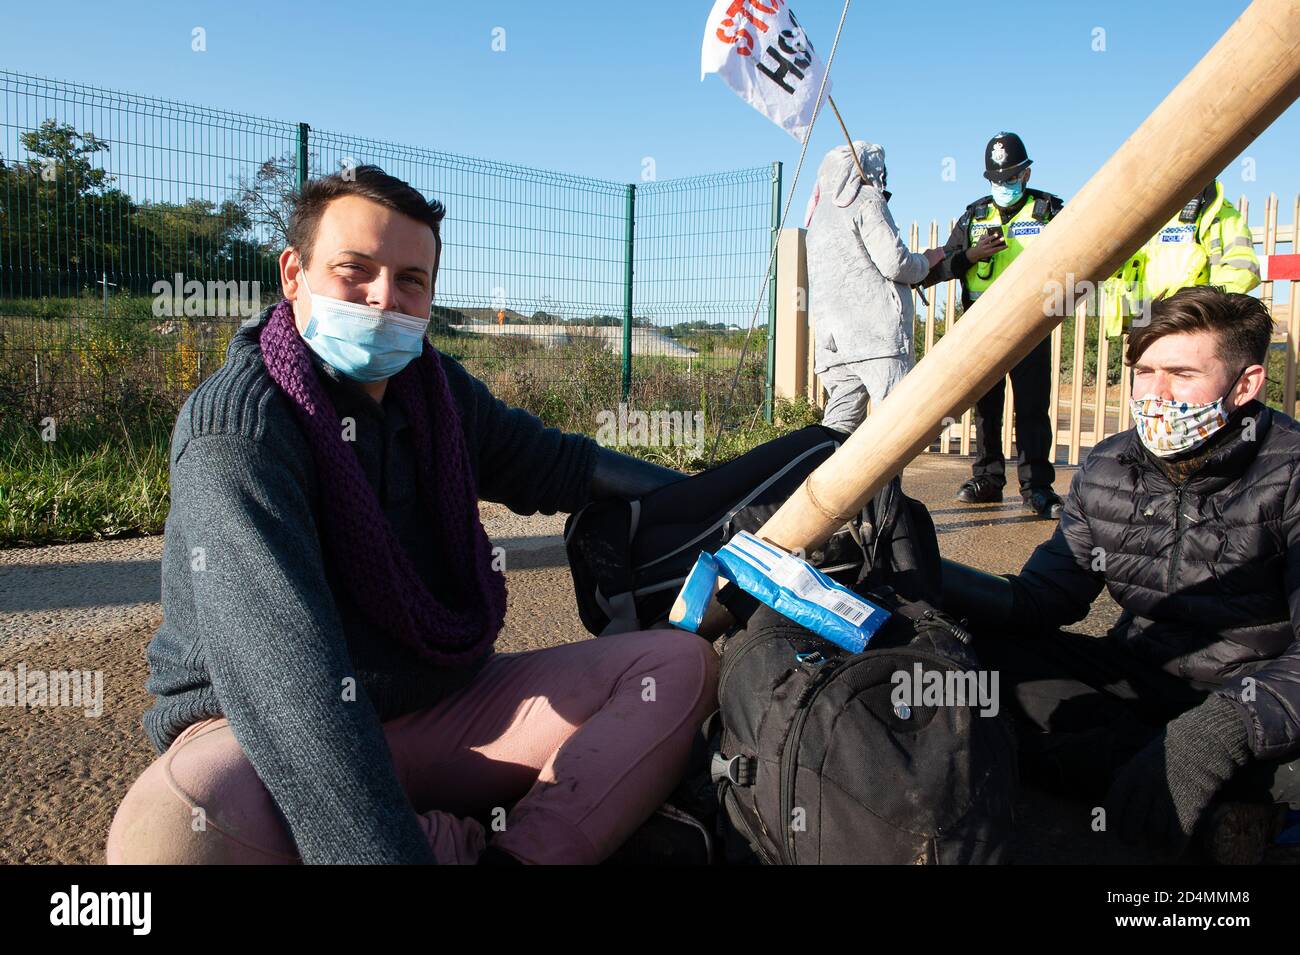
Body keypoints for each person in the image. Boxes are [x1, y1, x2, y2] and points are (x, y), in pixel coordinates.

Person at [105, 165, 716, 865]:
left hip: (436, 707)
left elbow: (558, 464)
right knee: (174, 832)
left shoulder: (437, 390)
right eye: (354, 270)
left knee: (675, 668)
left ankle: (508, 854)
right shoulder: (240, 428)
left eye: (411, 280)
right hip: (256, 733)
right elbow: (289, 685)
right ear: (293, 274)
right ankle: (429, 838)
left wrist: (712, 500)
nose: (382, 299)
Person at [944, 286, 1300, 863]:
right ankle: (1189, 794)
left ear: (1246, 385)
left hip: (1256, 696)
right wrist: (934, 580)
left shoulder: (1291, 470)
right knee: (968, 661)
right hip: (1141, 675)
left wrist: (1213, 736)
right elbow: (1045, 597)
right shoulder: (1109, 464)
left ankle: (1142, 775)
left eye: (1182, 374)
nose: (1155, 395)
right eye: (1144, 371)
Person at [922, 132, 1065, 518]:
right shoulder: (975, 215)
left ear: (1026, 172)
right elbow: (938, 270)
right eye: (997, 179)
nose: (1004, 185)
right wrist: (971, 254)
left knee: (1033, 407)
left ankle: (1037, 488)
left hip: (1030, 323)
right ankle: (987, 479)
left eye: (1011, 177)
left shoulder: (1048, 211)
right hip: (981, 325)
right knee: (987, 407)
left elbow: (1076, 257)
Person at [805, 140, 944, 435]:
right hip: (877, 338)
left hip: (833, 343)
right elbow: (895, 263)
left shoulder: (818, 215)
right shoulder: (867, 200)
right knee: (893, 427)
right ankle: (887, 484)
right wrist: (927, 261)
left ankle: (824, 480)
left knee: (838, 426)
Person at [1100, 178, 1260, 337]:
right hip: (1145, 324)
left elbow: (1242, 268)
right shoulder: (1140, 213)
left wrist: (1202, 308)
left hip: (1192, 326)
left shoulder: (1216, 211)